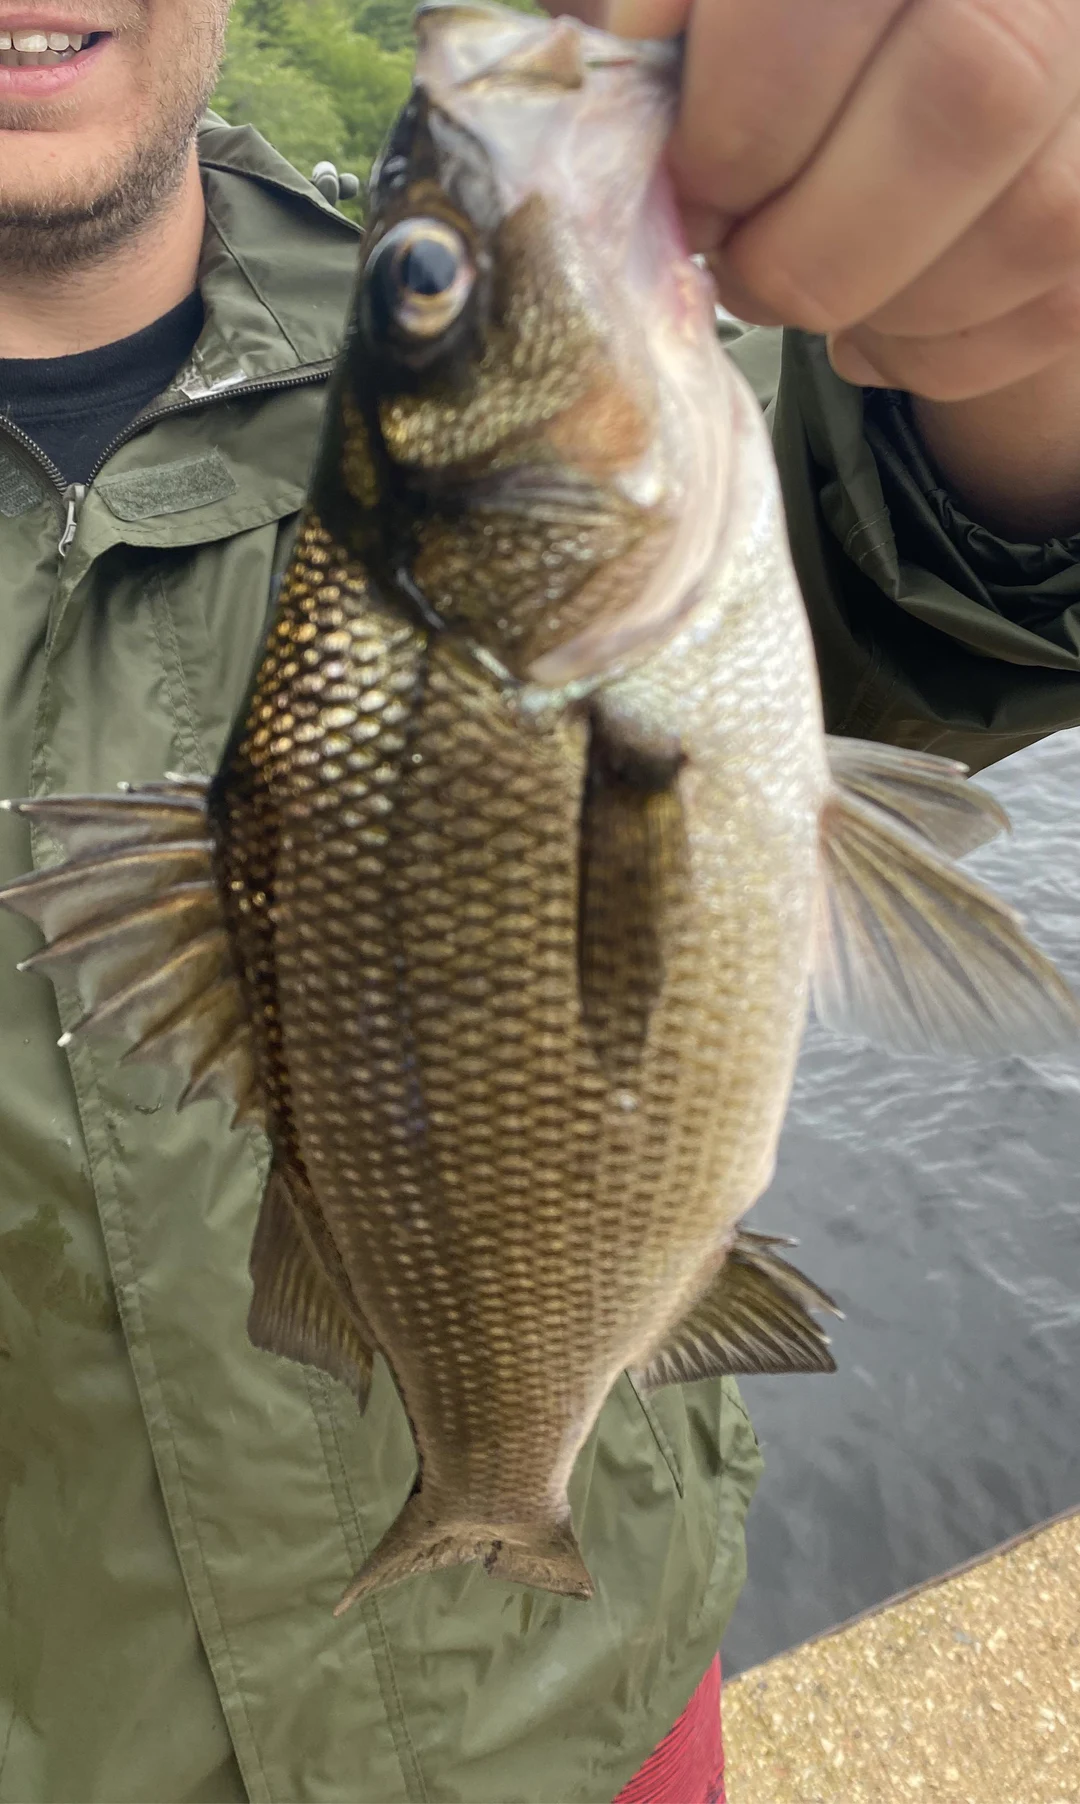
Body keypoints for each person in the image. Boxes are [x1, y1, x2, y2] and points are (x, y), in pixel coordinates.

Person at [0, 3, 1077, 1800]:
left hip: (591, 1710)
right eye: (433, 280)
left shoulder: (519, 420)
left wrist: (1019, 331)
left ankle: (502, 1479)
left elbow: (935, 580)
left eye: (432, 282)